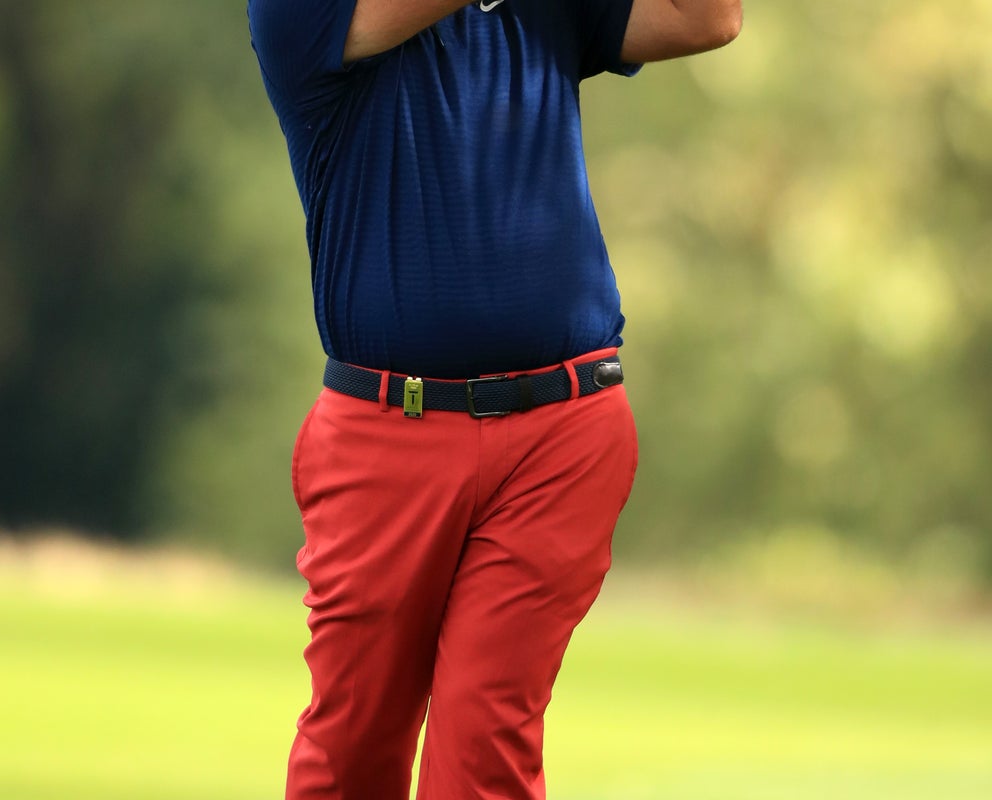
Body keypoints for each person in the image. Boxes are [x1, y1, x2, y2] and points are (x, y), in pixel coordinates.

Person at [247, 1, 742, 798]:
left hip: (565, 433)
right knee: (351, 757)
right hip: (385, 438)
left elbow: (707, 16)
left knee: (485, 754)